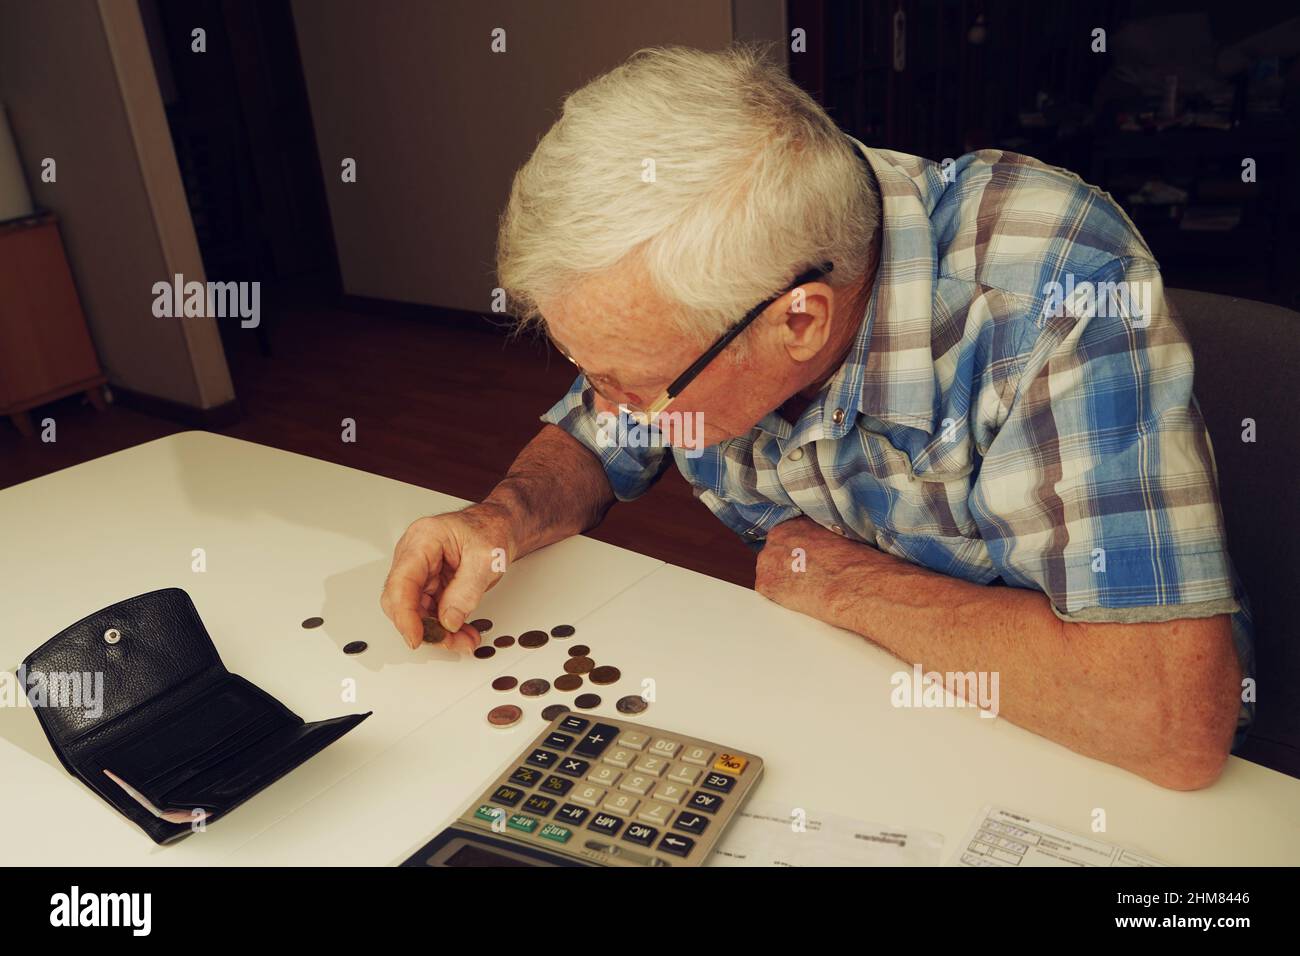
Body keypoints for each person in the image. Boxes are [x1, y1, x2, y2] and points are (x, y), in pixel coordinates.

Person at [381, 45, 1253, 790]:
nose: (613, 410)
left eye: (632, 383)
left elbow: (1166, 721)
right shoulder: (716, 294)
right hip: (848, 702)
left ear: (799, 320)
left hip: (1066, 756)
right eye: (588, 371)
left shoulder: (1054, 286)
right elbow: (596, 437)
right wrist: (496, 519)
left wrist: (837, 581)